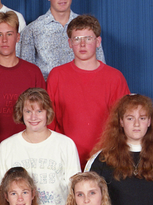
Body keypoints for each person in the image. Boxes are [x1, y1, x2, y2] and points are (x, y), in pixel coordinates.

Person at [46, 14, 129, 166]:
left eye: (88, 38)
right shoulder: (57, 75)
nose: (82, 44)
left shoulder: (115, 78)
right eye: (77, 39)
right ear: (70, 43)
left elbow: (123, 122)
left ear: (98, 42)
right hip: (66, 158)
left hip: (105, 158)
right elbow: (50, 120)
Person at [0, 88, 81, 205]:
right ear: (21, 113)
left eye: (39, 111)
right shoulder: (7, 147)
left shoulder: (65, 144)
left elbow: (75, 189)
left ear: (48, 113)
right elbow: (4, 192)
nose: (33, 117)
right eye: (28, 111)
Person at [0, 11, 45, 147]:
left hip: (29, 148)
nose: (4, 40)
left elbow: (45, 114)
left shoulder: (33, 72)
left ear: (17, 37)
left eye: (9, 34)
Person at [20, 0, 105, 79]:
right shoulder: (33, 29)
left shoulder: (88, 27)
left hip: (84, 89)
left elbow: (101, 65)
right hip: (47, 93)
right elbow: (27, 73)